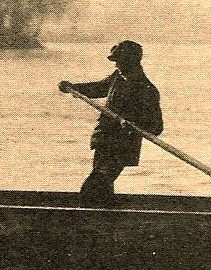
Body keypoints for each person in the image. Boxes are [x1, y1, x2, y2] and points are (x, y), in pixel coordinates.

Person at [59, 40, 163, 202]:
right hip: (104, 141)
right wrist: (74, 87)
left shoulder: (147, 89)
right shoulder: (117, 78)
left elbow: (156, 126)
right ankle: (107, 213)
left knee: (93, 186)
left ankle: (90, 214)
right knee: (102, 187)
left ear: (131, 61)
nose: (116, 65)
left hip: (122, 146)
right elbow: (97, 88)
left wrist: (133, 126)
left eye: (119, 61)